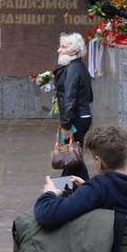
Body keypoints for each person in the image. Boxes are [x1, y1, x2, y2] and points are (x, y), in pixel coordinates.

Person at [53, 32, 93, 182]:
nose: (59, 50)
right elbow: (89, 96)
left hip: (75, 119)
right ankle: (84, 187)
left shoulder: (72, 70)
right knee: (73, 154)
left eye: (63, 47)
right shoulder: (78, 67)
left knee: (70, 156)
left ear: (74, 51)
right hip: (80, 117)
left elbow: (69, 99)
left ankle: (63, 188)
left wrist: (66, 125)